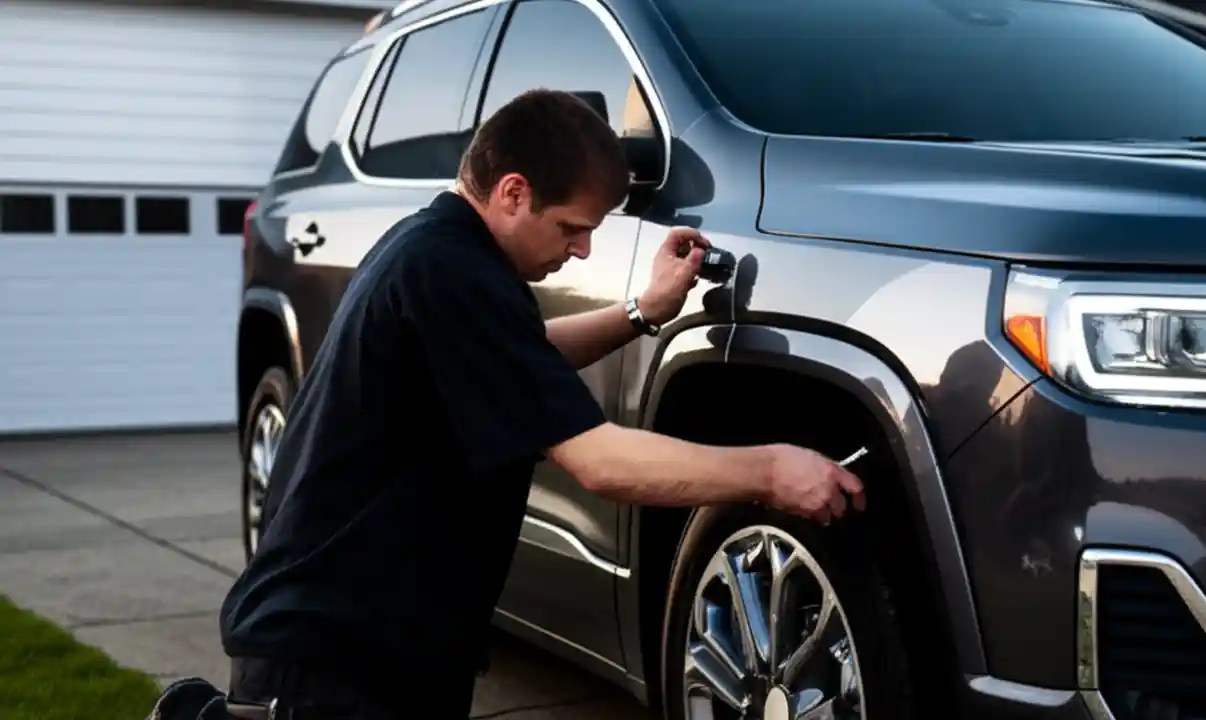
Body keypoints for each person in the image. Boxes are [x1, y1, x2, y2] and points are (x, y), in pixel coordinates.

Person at [216, 88, 865, 719]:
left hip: (346, 648)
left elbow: (520, 357)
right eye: (572, 228)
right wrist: (772, 472)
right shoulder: (453, 272)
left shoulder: (432, 250)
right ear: (514, 192)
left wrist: (643, 311)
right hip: (335, 674)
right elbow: (599, 461)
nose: (581, 248)